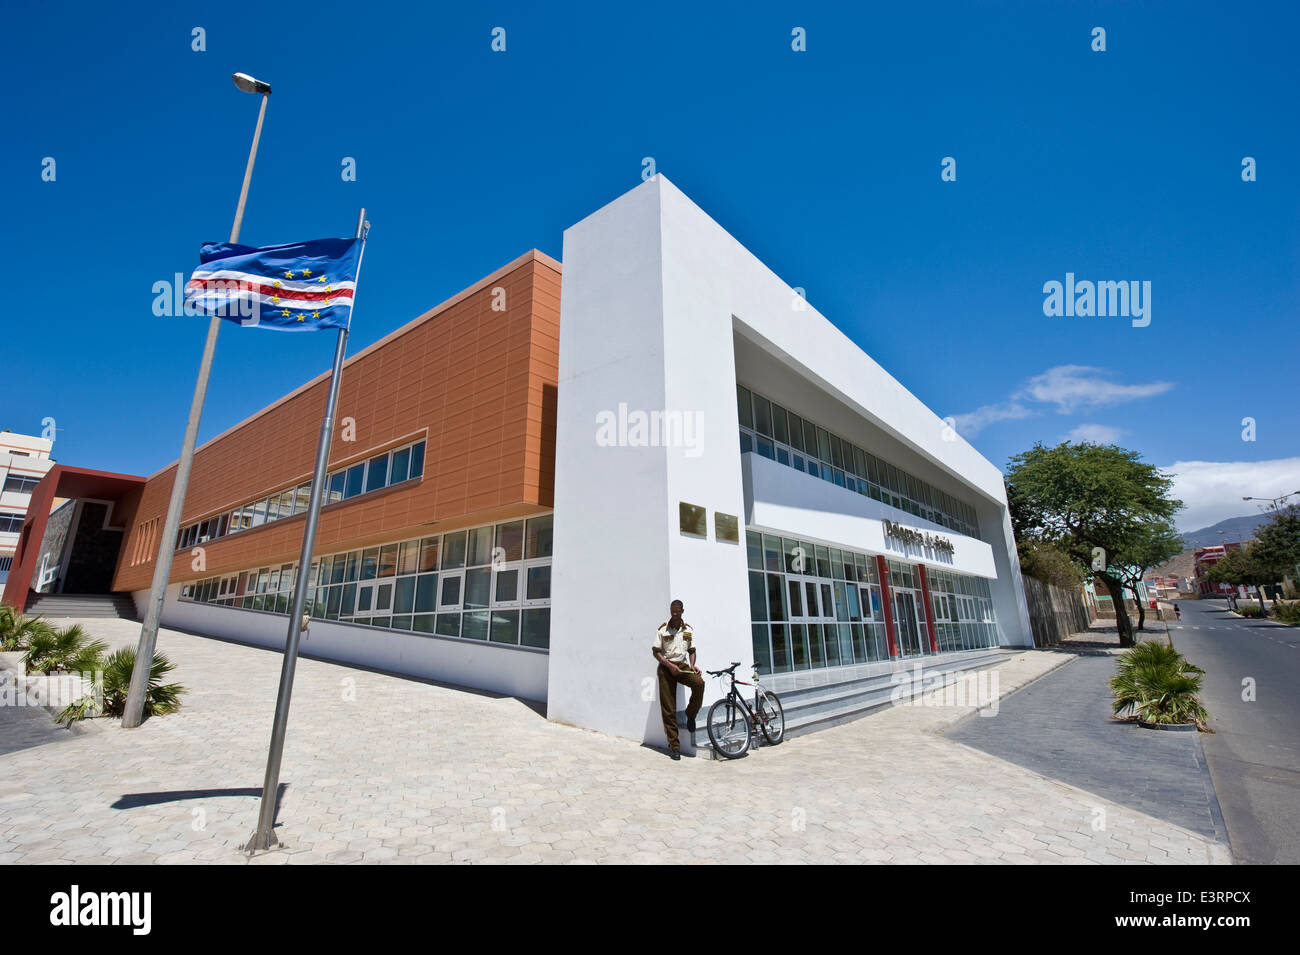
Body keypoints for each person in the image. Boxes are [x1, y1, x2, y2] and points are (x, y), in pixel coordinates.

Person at [652, 599, 705, 760]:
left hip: (681, 666)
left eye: (677, 611)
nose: (674, 614)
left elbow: (692, 649)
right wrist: (669, 666)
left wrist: (693, 665)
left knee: (699, 684)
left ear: (682, 611)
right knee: (669, 708)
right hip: (666, 668)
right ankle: (674, 746)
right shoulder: (662, 629)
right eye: (672, 611)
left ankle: (691, 714)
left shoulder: (687, 629)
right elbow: (656, 651)